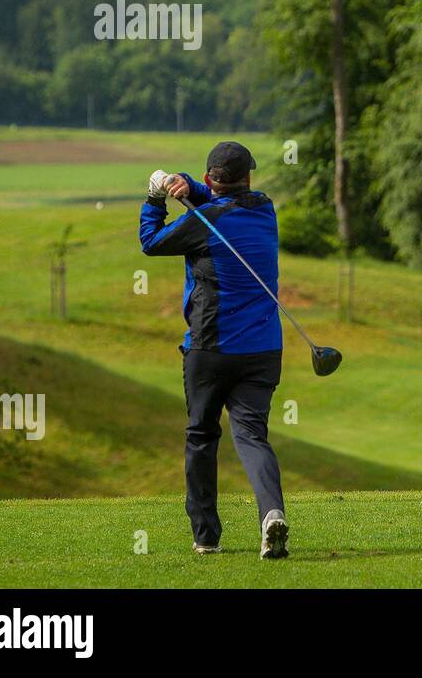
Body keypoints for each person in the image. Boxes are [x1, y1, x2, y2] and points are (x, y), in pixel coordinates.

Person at [139, 141, 289, 560]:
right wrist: (191, 189)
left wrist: (155, 197)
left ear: (210, 179)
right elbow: (226, 202)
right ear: (250, 178)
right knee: (252, 436)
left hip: (210, 348)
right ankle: (271, 513)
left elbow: (151, 242)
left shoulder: (203, 222)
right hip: (263, 350)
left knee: (202, 436)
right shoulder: (265, 208)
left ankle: (206, 537)